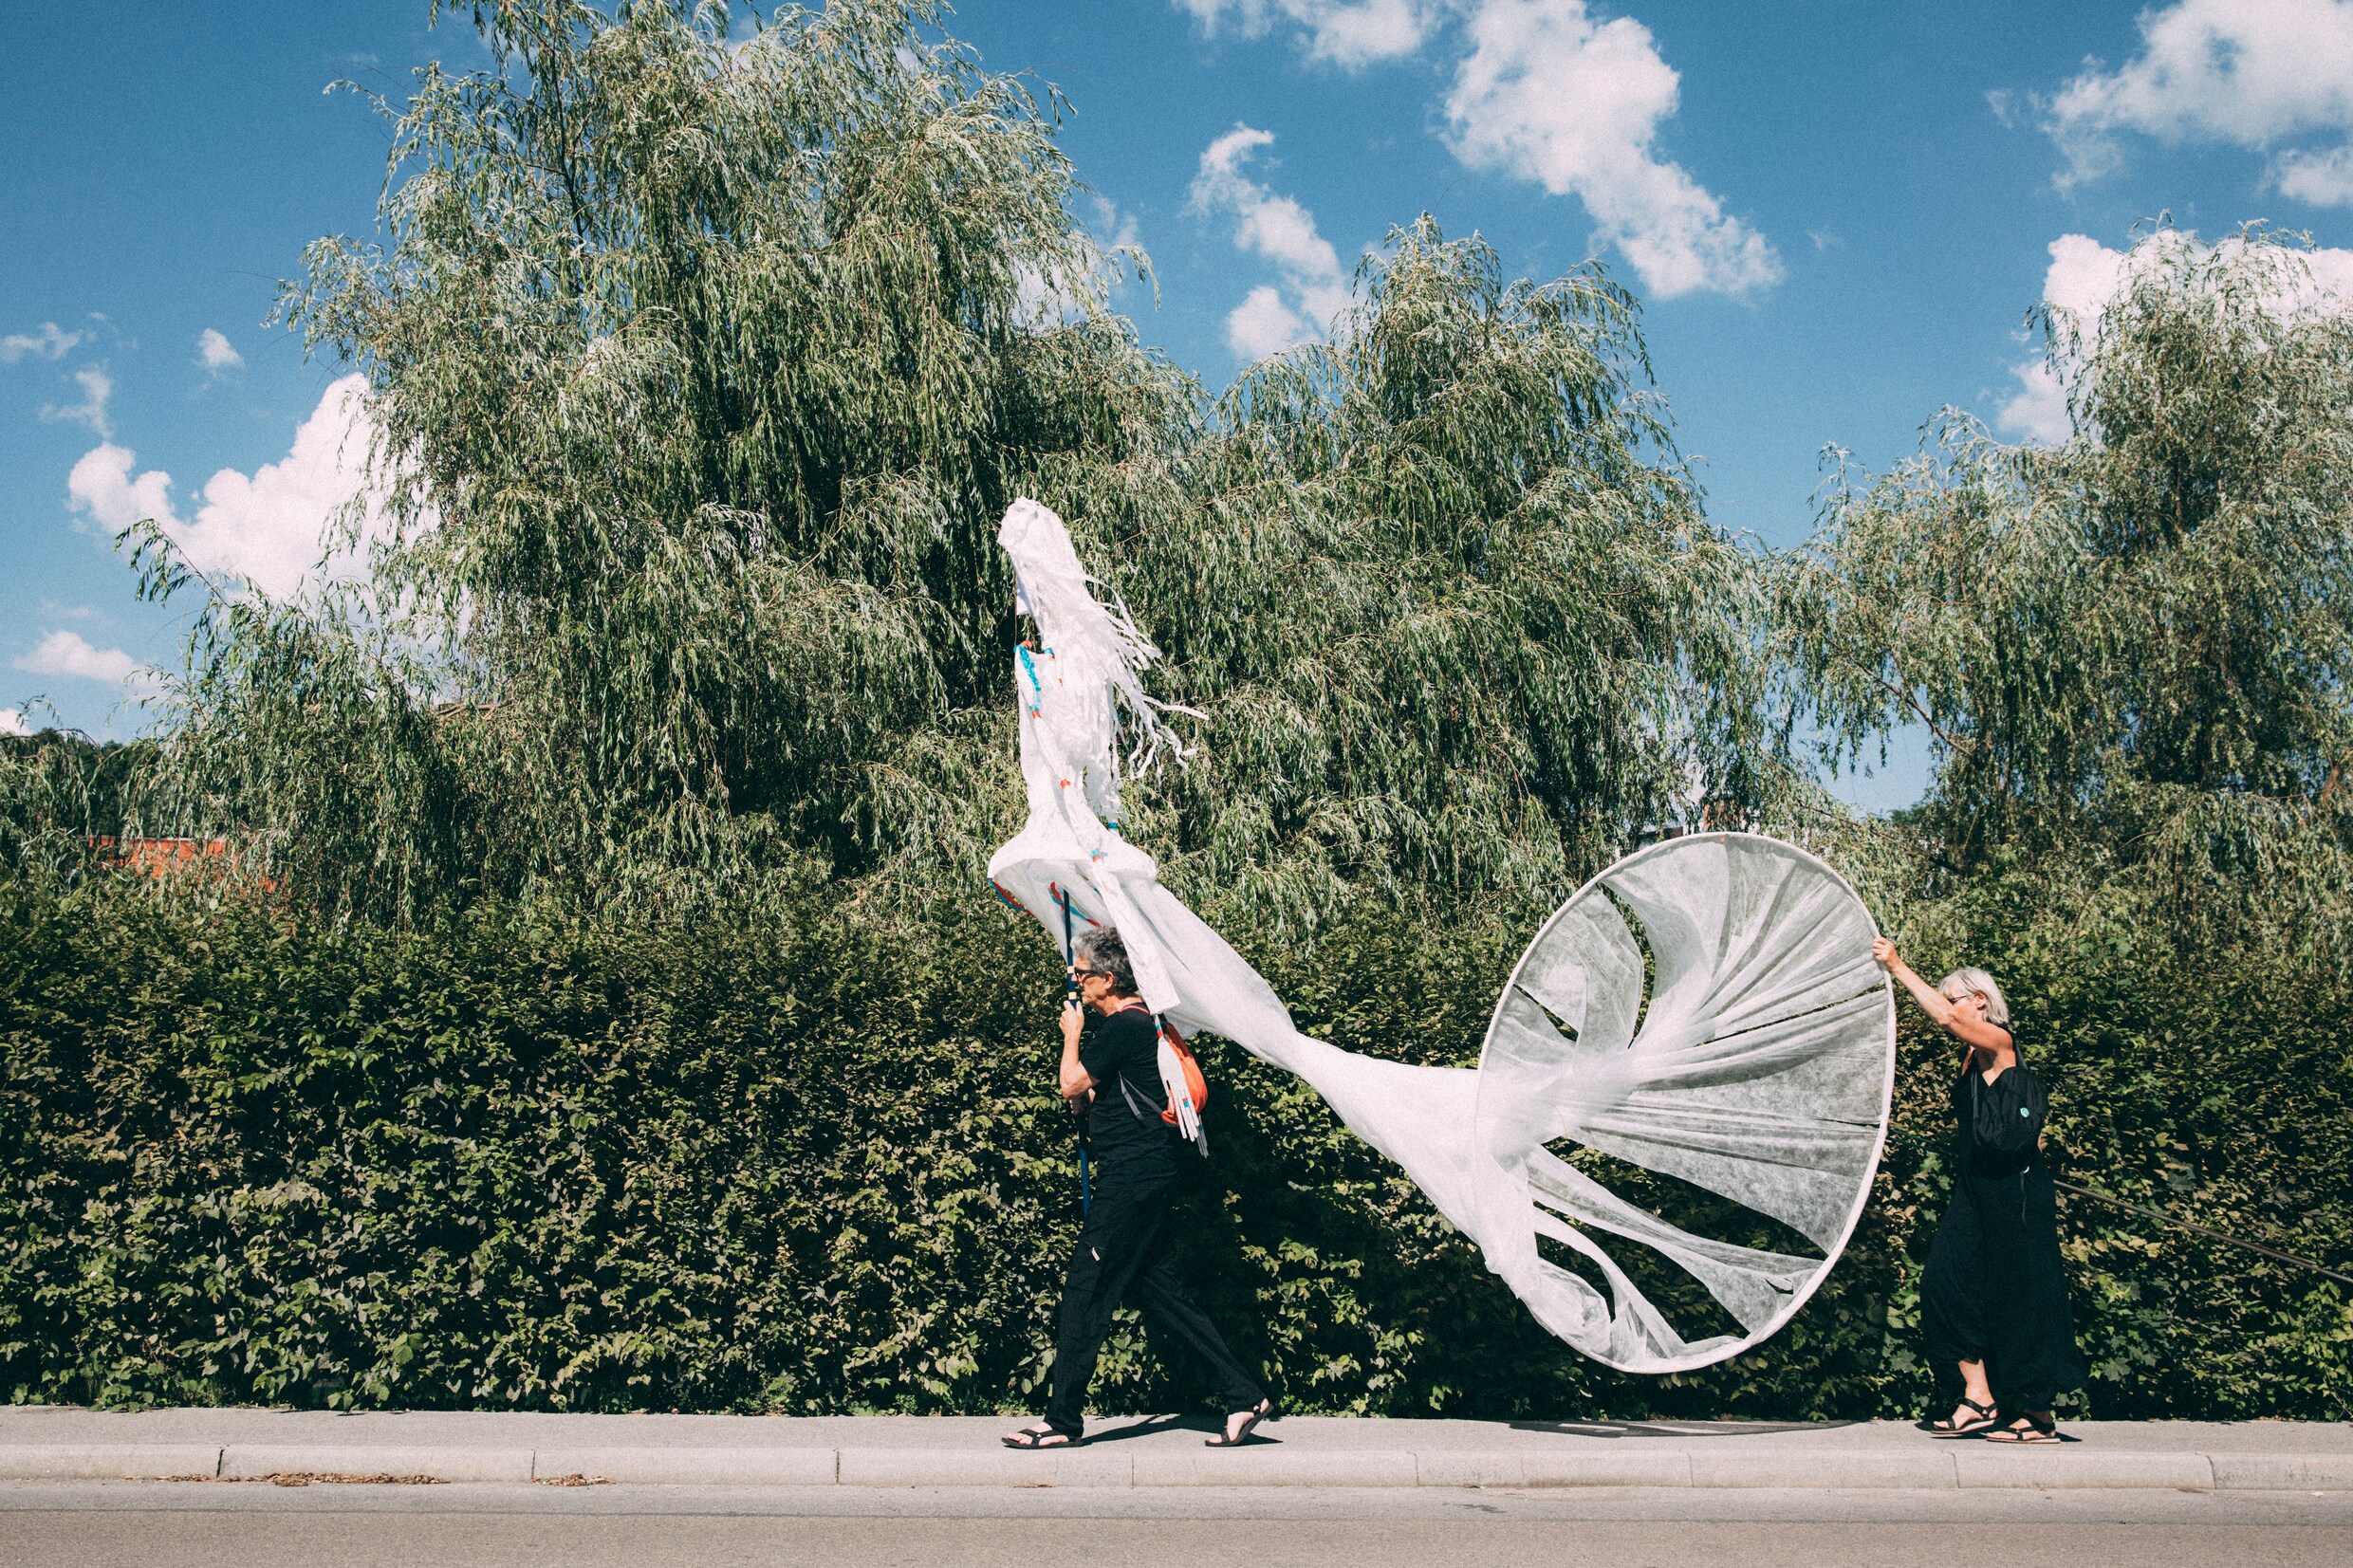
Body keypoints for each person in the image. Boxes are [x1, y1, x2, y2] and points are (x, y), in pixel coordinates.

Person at [1003, 926, 1274, 1449]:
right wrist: (1083, 1098)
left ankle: (1061, 1422)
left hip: (1130, 1181)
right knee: (1162, 1294)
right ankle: (1244, 1395)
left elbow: (1070, 1083)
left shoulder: (1124, 1025)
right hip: (1148, 1177)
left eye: (1081, 975)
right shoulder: (1143, 1025)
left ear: (1107, 979)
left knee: (1085, 1291)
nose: (1076, 983)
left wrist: (1071, 1035)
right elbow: (1087, 1099)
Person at [1874, 937, 2086, 1443]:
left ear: (1980, 1002)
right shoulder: (1971, 1058)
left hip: (2016, 1190)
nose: (1948, 1006)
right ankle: (1979, 1397)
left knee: (2022, 1293)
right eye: (1949, 998)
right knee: (1944, 1281)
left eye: (1955, 998)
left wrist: (1897, 966)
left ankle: (2038, 1414)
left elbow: (1946, 1019)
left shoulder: (1999, 1042)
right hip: (1975, 1189)